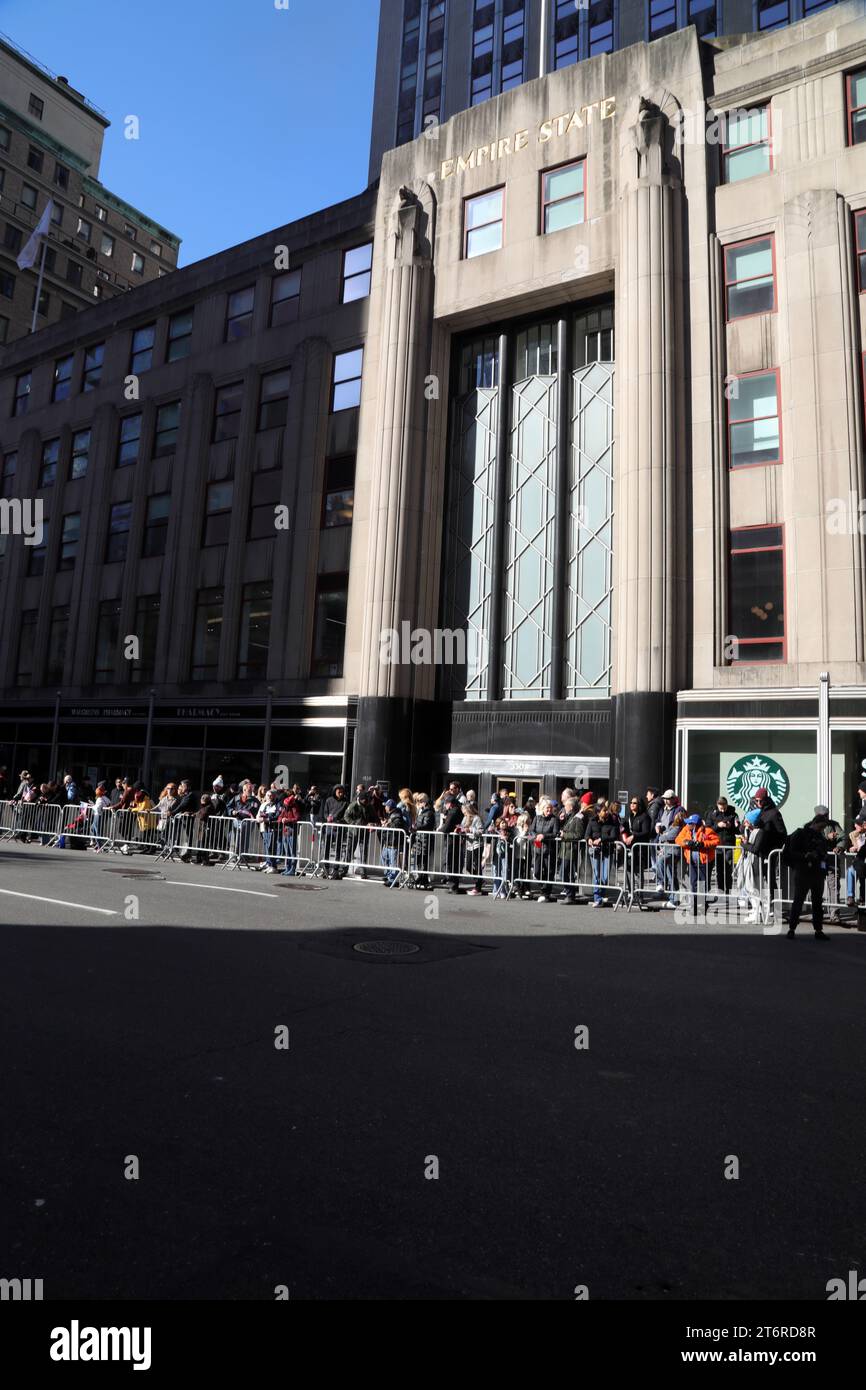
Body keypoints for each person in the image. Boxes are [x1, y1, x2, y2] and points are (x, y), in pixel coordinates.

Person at [783, 806, 832, 938]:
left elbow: (823, 852)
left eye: (822, 828)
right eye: (820, 827)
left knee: (817, 902)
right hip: (803, 871)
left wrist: (821, 857)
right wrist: (806, 856)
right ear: (814, 823)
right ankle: (792, 929)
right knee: (798, 900)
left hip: (816, 873)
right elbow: (792, 852)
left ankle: (818, 930)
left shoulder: (820, 837)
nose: (821, 830)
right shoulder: (800, 834)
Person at [675, 813, 720, 914]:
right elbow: (678, 839)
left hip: (705, 862)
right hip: (692, 861)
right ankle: (694, 905)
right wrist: (686, 842)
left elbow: (716, 841)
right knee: (693, 883)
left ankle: (703, 904)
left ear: (695, 824)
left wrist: (703, 844)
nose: (688, 824)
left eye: (690, 823)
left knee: (703, 884)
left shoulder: (707, 831)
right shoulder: (686, 829)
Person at [586, 801, 621, 907]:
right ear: (598, 813)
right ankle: (597, 898)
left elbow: (614, 836)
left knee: (605, 877)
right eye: (604, 810)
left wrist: (601, 839)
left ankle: (602, 893)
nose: (606, 812)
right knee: (596, 875)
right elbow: (587, 834)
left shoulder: (612, 821)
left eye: (606, 810)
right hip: (595, 851)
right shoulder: (592, 821)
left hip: (607, 851)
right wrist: (589, 840)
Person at [706, 796, 738, 900]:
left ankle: (728, 892)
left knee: (728, 870)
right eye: (721, 808)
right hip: (716, 845)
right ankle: (720, 891)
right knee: (719, 870)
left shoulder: (733, 814)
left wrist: (731, 826)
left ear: (727, 805)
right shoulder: (712, 814)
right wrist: (718, 826)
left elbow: (737, 830)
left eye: (724, 807)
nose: (723, 810)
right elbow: (708, 829)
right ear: (717, 805)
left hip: (728, 845)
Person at [622, 795, 654, 898]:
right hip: (630, 848)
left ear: (639, 805)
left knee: (638, 872)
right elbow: (627, 830)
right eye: (631, 802)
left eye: (634, 803)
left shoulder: (645, 816)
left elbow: (646, 832)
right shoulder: (630, 816)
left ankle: (639, 894)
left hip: (640, 849)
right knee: (628, 870)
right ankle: (631, 892)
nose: (631, 804)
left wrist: (634, 836)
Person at [532, 796, 560, 903]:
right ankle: (543, 888)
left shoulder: (554, 819)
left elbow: (555, 833)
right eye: (546, 808)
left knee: (549, 872)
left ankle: (546, 893)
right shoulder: (537, 818)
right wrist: (536, 836)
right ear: (542, 809)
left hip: (549, 849)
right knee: (537, 872)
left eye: (550, 808)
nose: (548, 810)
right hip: (538, 847)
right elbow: (532, 831)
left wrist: (544, 836)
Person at [256, 789, 282, 873]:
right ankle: (270, 864)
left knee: (272, 847)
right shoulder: (265, 805)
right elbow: (261, 814)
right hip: (266, 828)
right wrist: (261, 817)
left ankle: (274, 866)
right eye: (268, 795)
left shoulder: (277, 804)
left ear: (274, 796)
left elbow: (277, 815)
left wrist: (268, 818)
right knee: (268, 847)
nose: (269, 797)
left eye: (271, 795)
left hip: (273, 828)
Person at [381, 800, 405, 887]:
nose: (385, 807)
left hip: (393, 842)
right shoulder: (391, 815)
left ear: (390, 807)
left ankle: (393, 879)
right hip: (388, 841)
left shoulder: (397, 815)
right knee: (384, 858)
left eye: (386, 806)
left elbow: (397, 826)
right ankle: (389, 876)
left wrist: (387, 825)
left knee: (393, 862)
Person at [89, 783, 112, 852]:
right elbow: (108, 803)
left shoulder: (100, 799)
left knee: (97, 831)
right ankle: (96, 843)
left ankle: (100, 846)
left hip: (98, 816)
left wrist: (92, 806)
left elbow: (97, 808)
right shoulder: (105, 798)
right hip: (100, 815)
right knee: (93, 829)